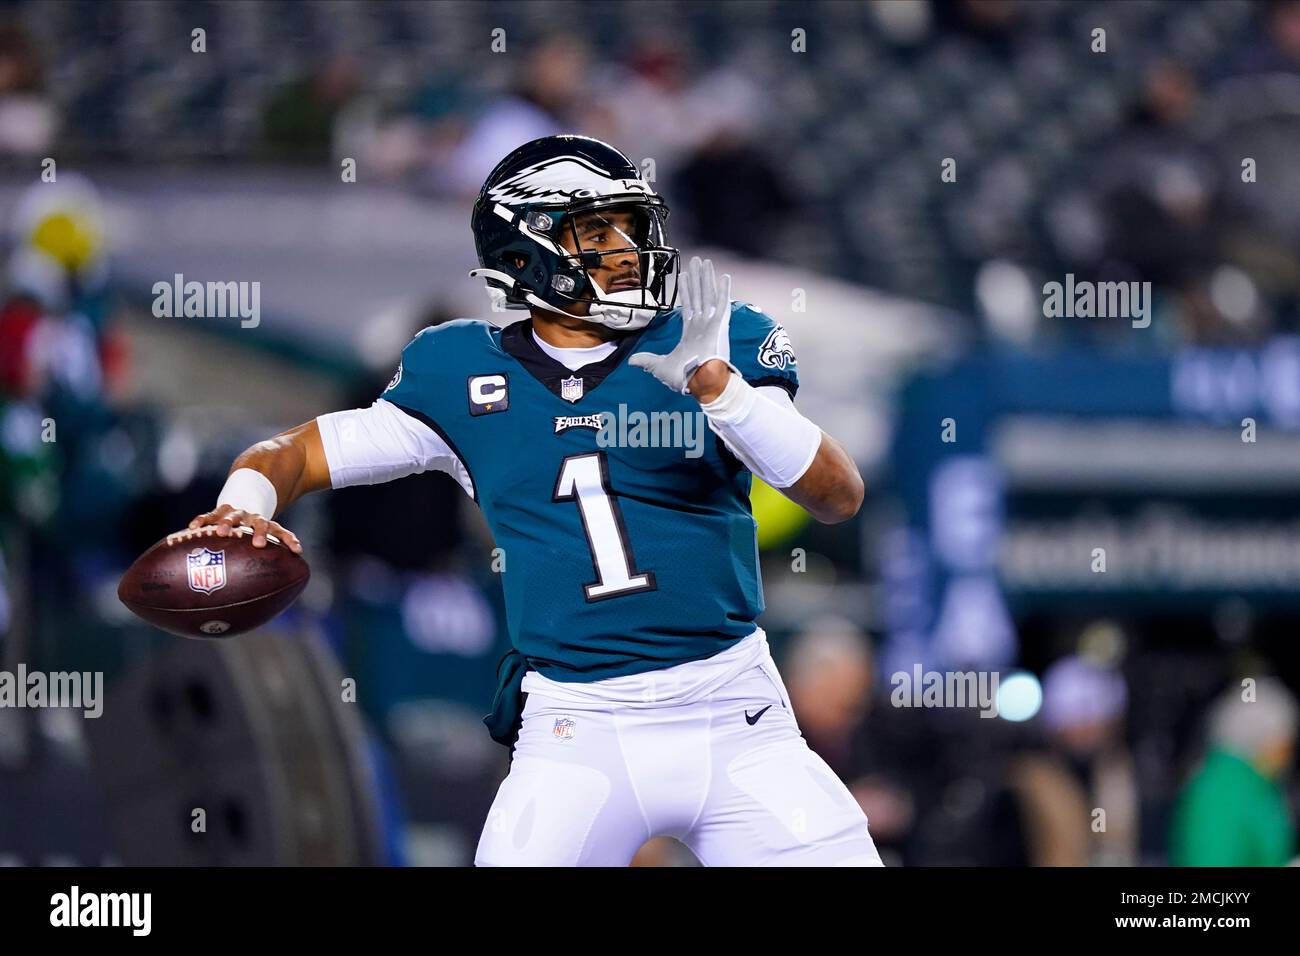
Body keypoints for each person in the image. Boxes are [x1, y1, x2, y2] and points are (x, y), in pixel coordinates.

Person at [185, 135, 880, 867]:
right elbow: (292, 453)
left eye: (629, 227)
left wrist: (723, 391)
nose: (624, 250)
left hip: (735, 711)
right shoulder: (461, 374)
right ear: (523, 253)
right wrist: (244, 501)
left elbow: (837, 495)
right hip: (579, 731)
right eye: (595, 231)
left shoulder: (713, 339)